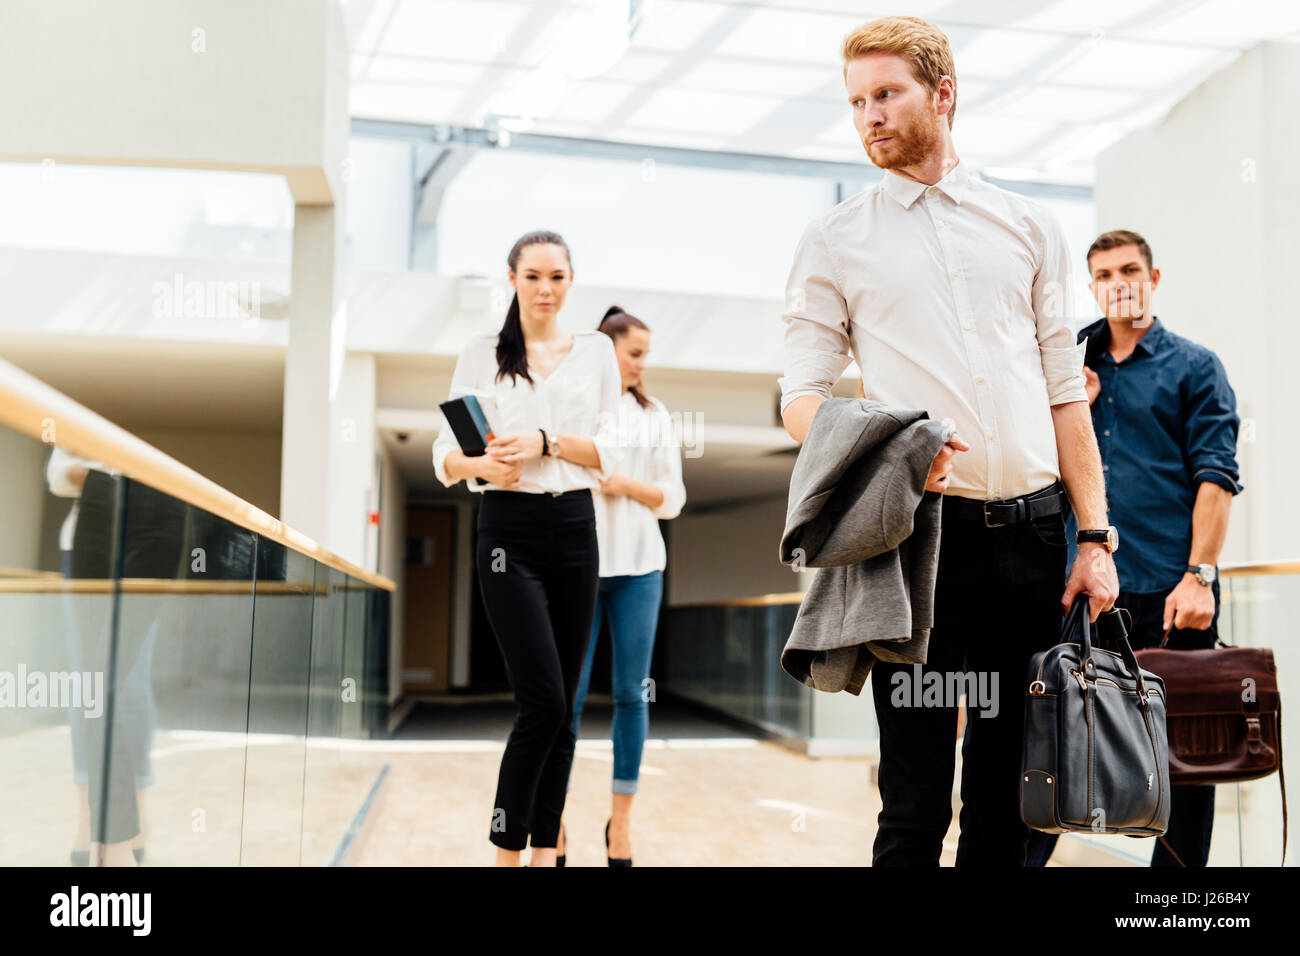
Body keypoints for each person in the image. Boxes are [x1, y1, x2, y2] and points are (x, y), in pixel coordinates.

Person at [778, 15, 1119, 866]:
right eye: (856, 102)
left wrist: (1096, 537)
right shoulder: (836, 238)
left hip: (1038, 539)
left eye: (886, 94)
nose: (869, 117)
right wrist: (888, 449)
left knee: (1012, 800)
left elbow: (1065, 396)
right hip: (924, 548)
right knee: (916, 798)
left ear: (944, 93)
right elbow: (801, 399)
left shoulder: (1030, 226)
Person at [1025, 229, 1241, 868]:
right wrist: (1071, 408)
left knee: (1183, 759)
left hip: (1174, 594)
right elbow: (1032, 461)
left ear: (1152, 278)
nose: (1117, 284)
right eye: (1103, 274)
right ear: (1090, 285)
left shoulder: (1195, 367)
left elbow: (1216, 477)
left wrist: (1200, 575)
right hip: (1082, 587)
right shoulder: (1066, 360)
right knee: (1052, 740)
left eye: (1129, 271)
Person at [431, 229, 625, 867]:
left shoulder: (596, 353)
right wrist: (483, 467)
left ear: (571, 282)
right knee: (541, 700)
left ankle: (547, 853)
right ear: (512, 278)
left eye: (558, 278)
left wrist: (547, 441)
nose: (546, 289)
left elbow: (612, 450)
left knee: (565, 708)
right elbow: (445, 457)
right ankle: (505, 854)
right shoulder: (481, 351)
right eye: (534, 276)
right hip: (506, 532)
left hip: (574, 526)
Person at [558, 306, 686, 866]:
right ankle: (552, 819)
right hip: (577, 570)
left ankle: (621, 828)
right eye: (634, 352)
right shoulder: (570, 407)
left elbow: (674, 498)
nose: (640, 364)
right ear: (606, 350)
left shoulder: (654, 414)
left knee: (632, 695)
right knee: (565, 700)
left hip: (639, 568)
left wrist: (625, 484)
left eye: (644, 355)